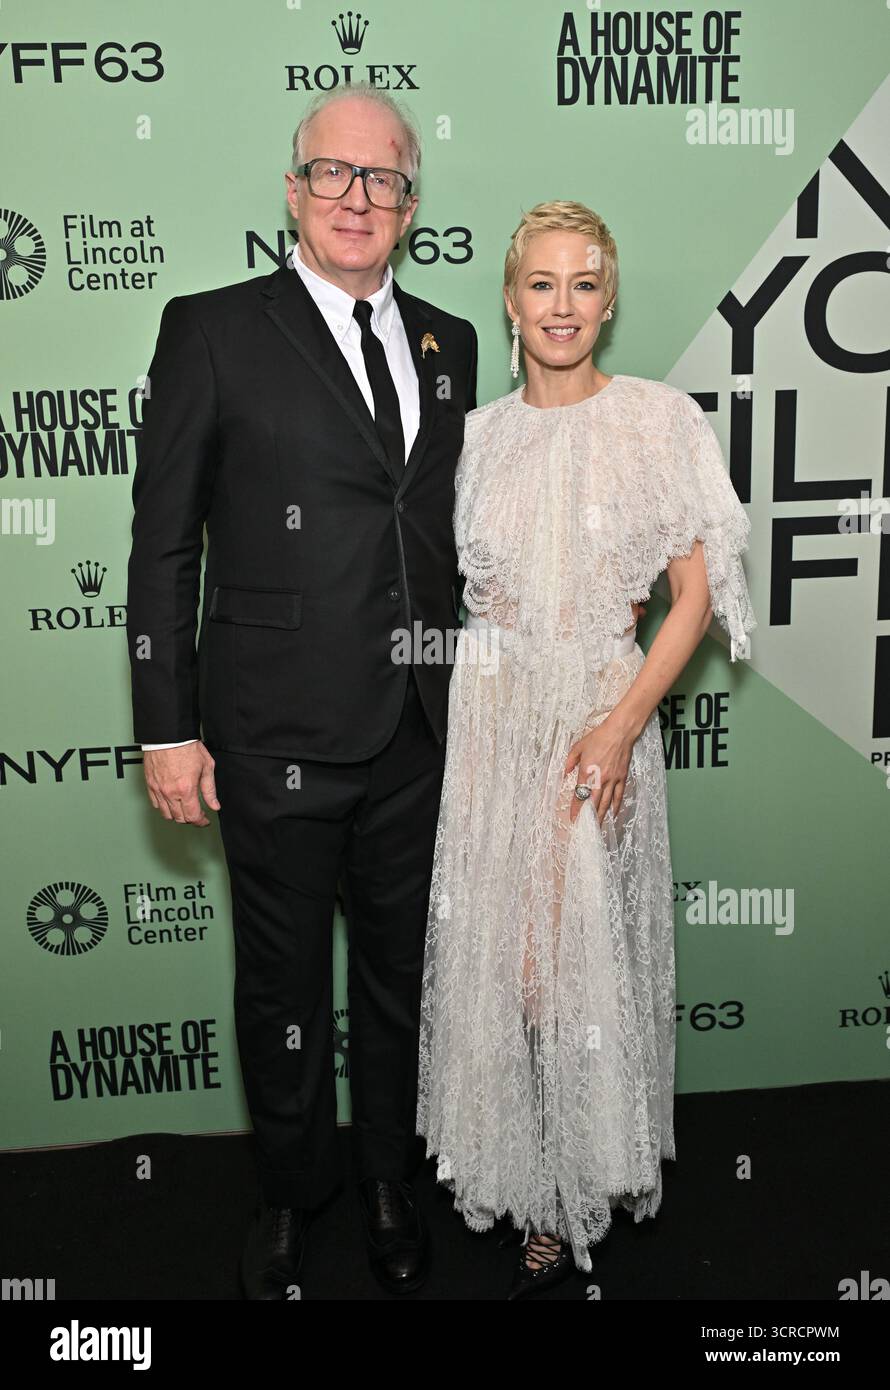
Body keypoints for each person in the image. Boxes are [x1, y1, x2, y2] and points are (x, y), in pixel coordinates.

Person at [126, 83, 477, 1298]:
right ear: (292, 188)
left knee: (396, 981)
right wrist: (165, 726)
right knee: (279, 986)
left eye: (381, 179)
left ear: (409, 204)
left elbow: (439, 533)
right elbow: (163, 545)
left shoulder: (449, 342)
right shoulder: (212, 330)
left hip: (416, 733)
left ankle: (388, 1179)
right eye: (332, 173)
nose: (356, 198)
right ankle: (291, 1193)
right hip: (271, 730)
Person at [416, 200, 757, 1299]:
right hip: (490, 720)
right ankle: (519, 1165)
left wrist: (615, 726)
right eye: (540, 285)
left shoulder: (658, 421)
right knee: (507, 967)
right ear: (509, 302)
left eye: (582, 285)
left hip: (595, 717)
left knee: (574, 965)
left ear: (607, 302)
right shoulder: (472, 438)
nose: (560, 306)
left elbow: (693, 596)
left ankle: (569, 1198)